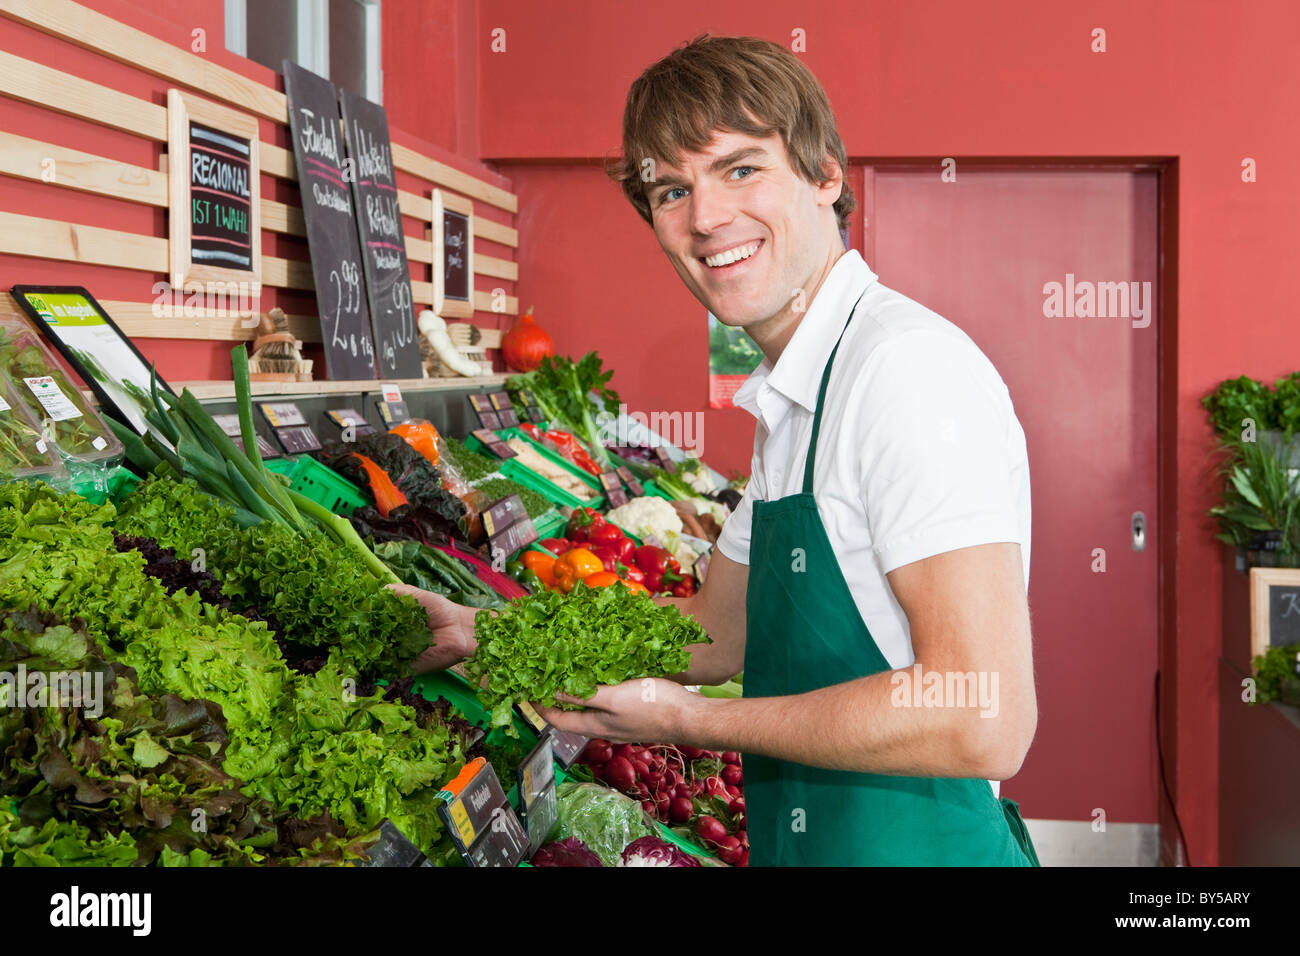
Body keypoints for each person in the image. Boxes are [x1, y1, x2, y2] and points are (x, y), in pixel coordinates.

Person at [397, 34, 1040, 867]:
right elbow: (713, 633)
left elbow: (983, 716)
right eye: (671, 190)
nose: (704, 218)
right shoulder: (797, 391)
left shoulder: (903, 372)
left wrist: (686, 721)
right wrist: (487, 632)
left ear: (825, 177)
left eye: (740, 169)